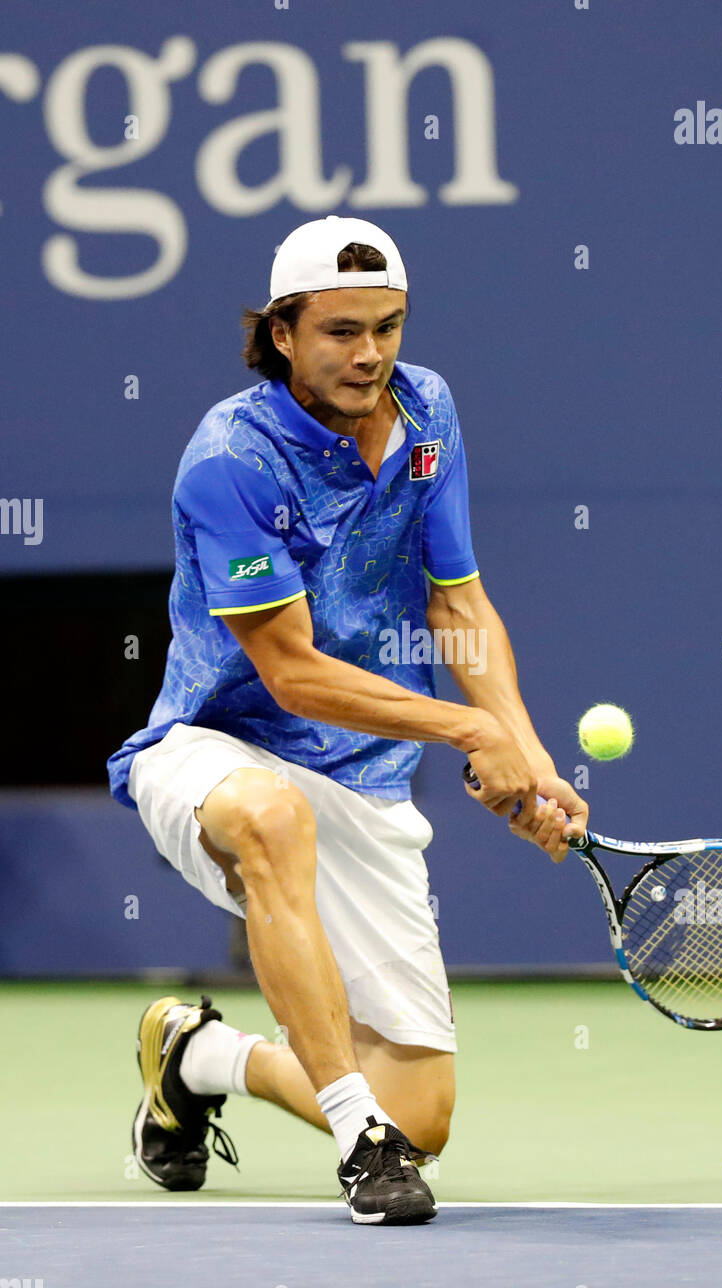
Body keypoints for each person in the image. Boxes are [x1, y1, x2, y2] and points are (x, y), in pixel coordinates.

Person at [107, 215, 589, 1226]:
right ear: (282, 332)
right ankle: (355, 1141)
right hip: (214, 749)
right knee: (273, 819)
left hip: (362, 774)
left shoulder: (428, 416)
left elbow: (456, 604)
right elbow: (289, 674)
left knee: (421, 1113)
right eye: (338, 330)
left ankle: (196, 1058)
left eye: (387, 326)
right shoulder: (229, 459)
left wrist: (529, 756)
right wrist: (466, 732)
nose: (368, 353)